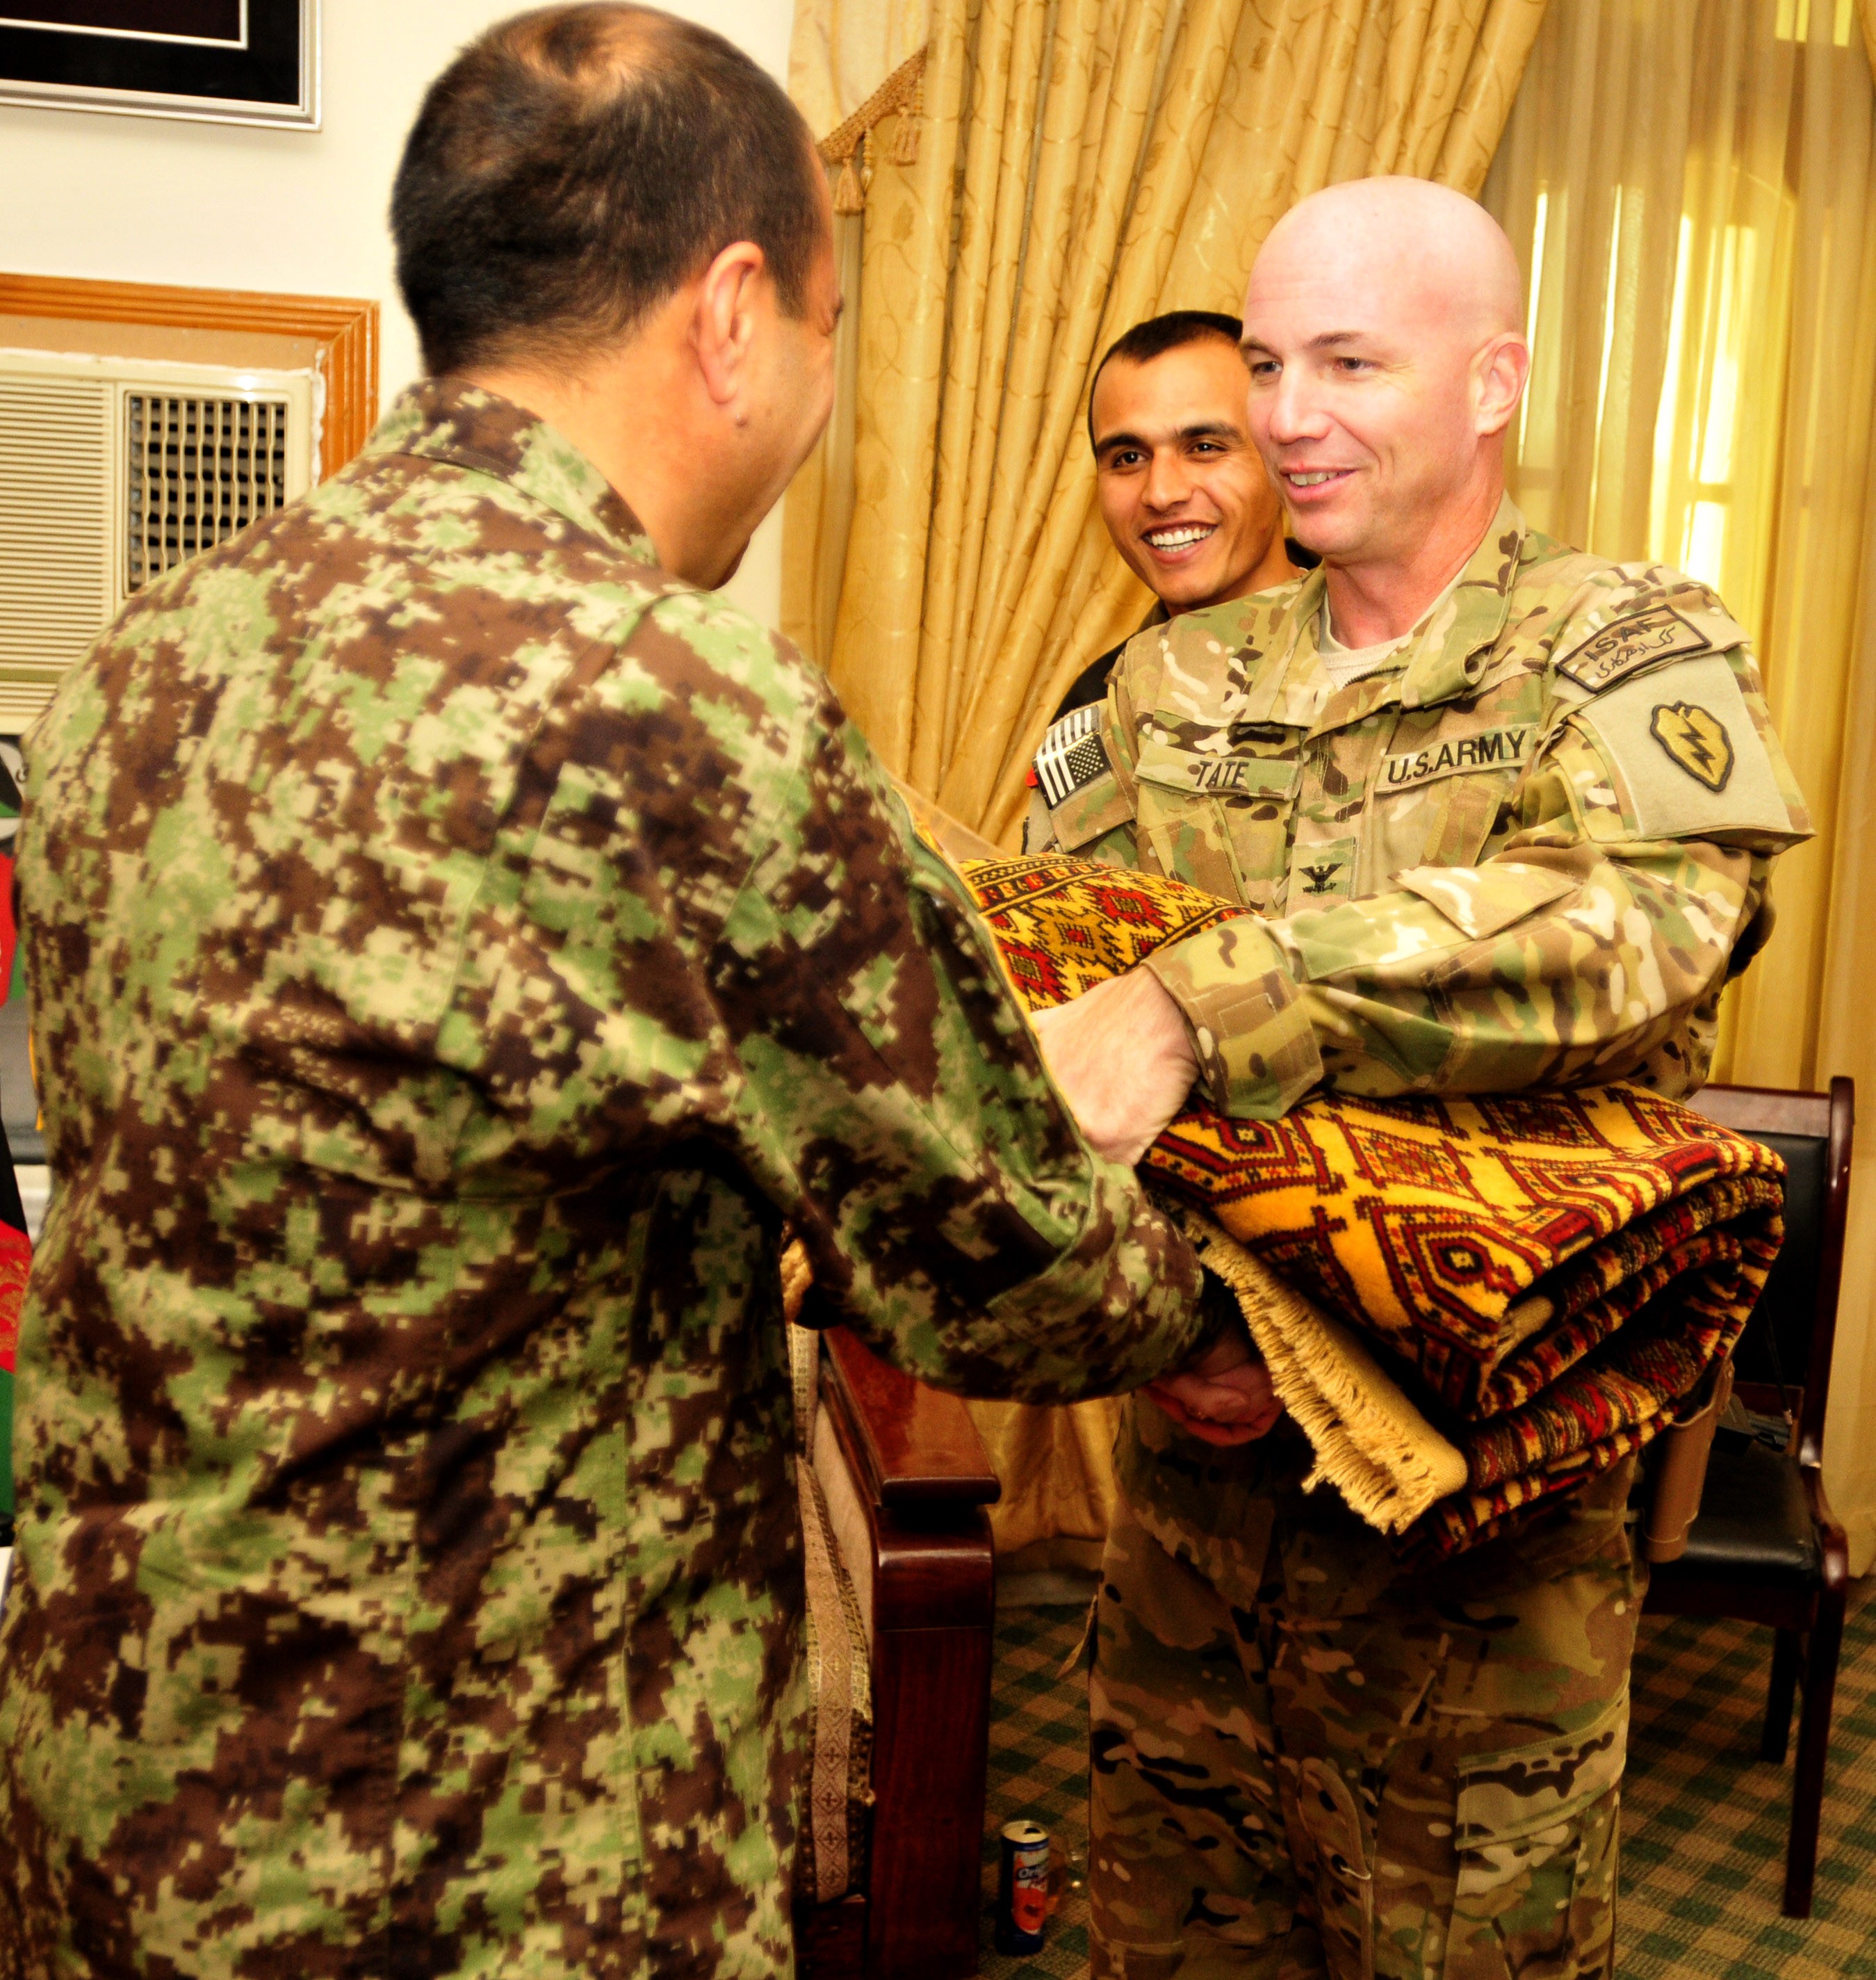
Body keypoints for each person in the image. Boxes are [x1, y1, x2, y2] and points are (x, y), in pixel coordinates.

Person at [0, 9, 1244, 1974]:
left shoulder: (141, 660)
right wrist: (1212, 1313)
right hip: (477, 1852)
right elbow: (988, 1254)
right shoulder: (678, 713)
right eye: (836, 328)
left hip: (114, 1794)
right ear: (736, 309)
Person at [1029, 176, 1809, 1979]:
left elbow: (1645, 922)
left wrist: (1214, 993)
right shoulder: (1166, 687)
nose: (1289, 418)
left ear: (1491, 383)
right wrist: (1166, 1335)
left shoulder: (1623, 646)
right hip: (1191, 1541)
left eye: (1350, 364)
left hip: (1479, 1565)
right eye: (1274, 361)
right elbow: (1048, 1031)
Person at [1049, 311, 1303, 727]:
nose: (1161, 494)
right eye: (1129, 458)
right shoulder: (1100, 711)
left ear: (1282, 458)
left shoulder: (1390, 643)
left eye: (1204, 448)